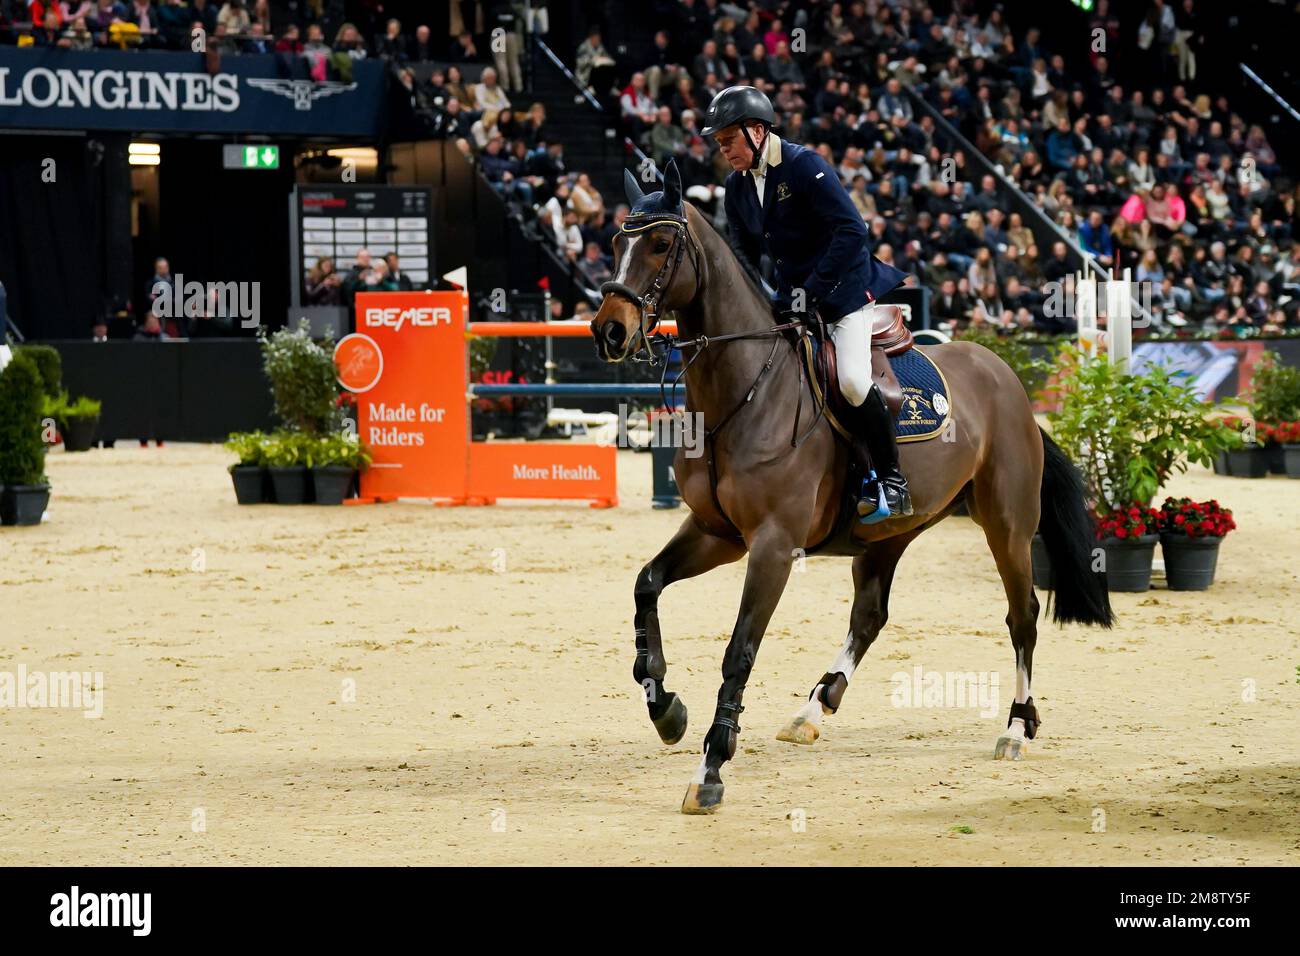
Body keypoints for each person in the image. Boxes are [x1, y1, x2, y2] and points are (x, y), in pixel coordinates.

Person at [702, 85, 912, 520]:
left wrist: (811, 292)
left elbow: (852, 231)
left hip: (844, 292)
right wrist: (761, 297)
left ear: (757, 131)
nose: (724, 150)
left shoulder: (804, 165)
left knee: (852, 381)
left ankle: (893, 478)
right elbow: (741, 251)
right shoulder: (736, 186)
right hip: (791, 297)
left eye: (728, 140)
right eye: (719, 143)